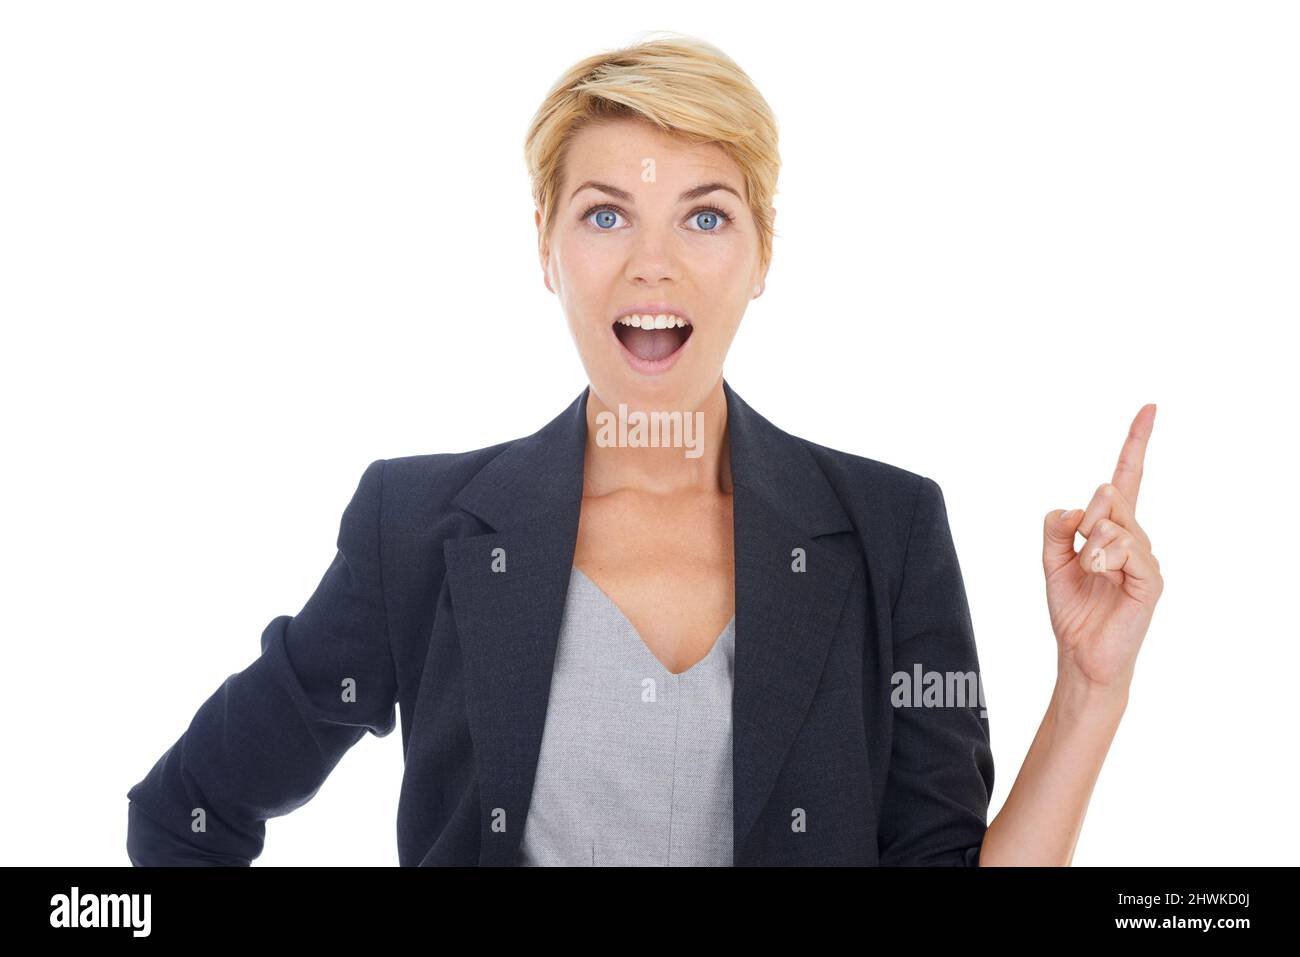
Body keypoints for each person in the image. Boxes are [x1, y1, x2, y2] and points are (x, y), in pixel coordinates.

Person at [126, 33, 1163, 867]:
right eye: (607, 213)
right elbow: (188, 815)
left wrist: (1088, 689)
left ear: (762, 254)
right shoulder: (421, 530)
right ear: (546, 249)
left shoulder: (887, 532)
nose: (653, 265)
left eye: (704, 217)